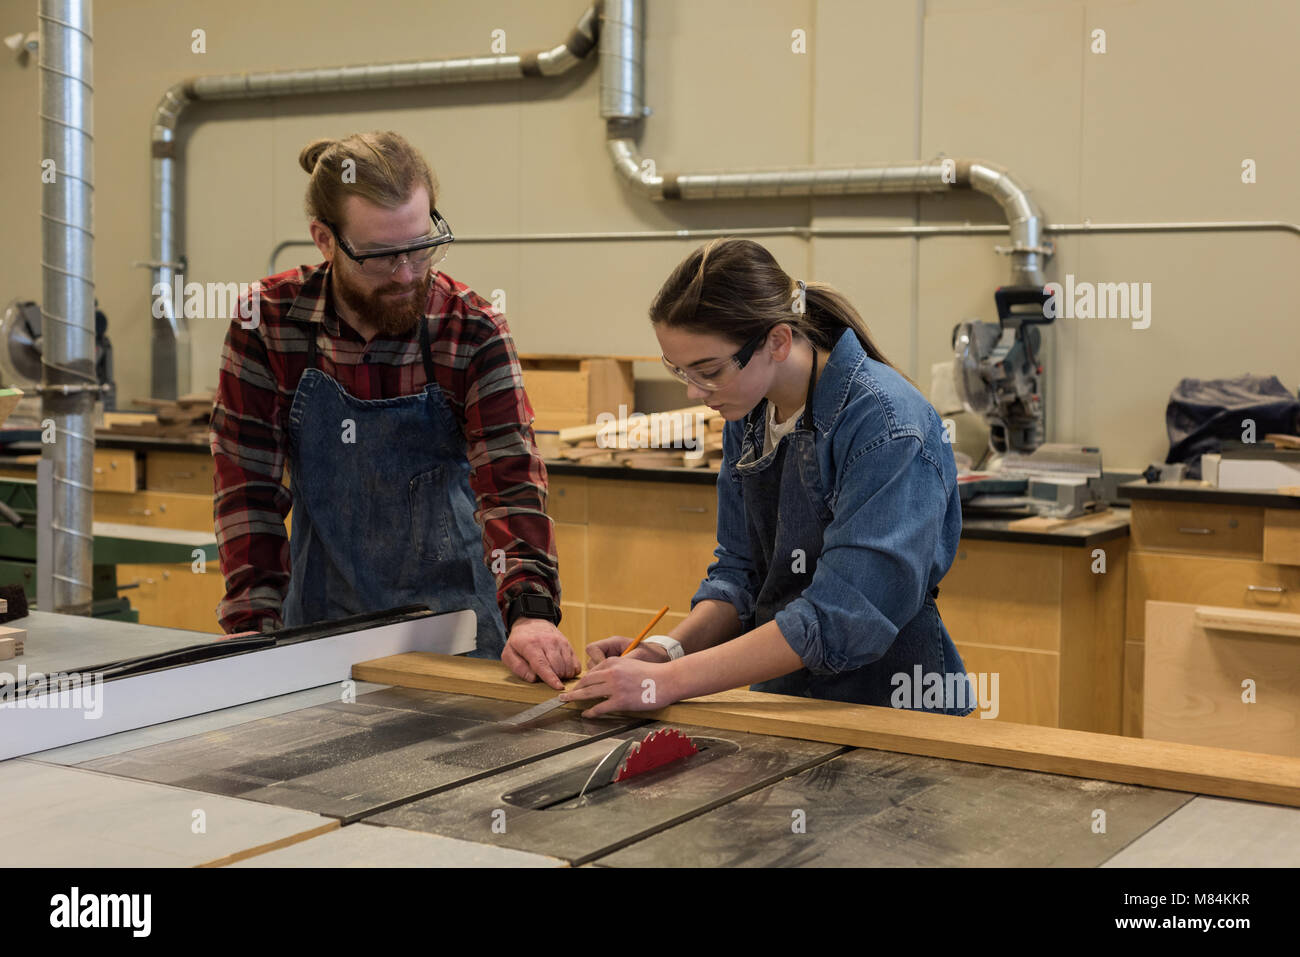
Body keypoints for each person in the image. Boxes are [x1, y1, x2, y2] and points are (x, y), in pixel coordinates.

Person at [210, 130, 579, 689]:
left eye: (422, 245)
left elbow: (509, 483)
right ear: (324, 241)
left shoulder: (471, 329)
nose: (407, 274)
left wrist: (530, 611)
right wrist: (251, 631)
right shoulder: (266, 322)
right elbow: (248, 492)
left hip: (456, 633)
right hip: (321, 633)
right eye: (382, 256)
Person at [564, 238, 974, 716]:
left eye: (709, 370)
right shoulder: (749, 411)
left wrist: (669, 682)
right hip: (784, 701)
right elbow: (739, 576)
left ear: (778, 341)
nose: (696, 392)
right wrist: (664, 653)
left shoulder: (887, 425)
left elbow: (843, 617)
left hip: (893, 708)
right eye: (680, 371)